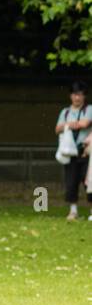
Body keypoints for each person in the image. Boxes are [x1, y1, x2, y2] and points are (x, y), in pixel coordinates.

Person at [56, 80, 91, 220]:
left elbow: (85, 123)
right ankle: (73, 211)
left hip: (86, 152)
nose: (77, 98)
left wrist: (67, 125)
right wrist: (73, 124)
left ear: (84, 96)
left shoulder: (89, 109)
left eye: (80, 95)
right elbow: (57, 129)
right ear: (71, 96)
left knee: (89, 181)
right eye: (75, 94)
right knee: (71, 181)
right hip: (70, 152)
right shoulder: (65, 112)